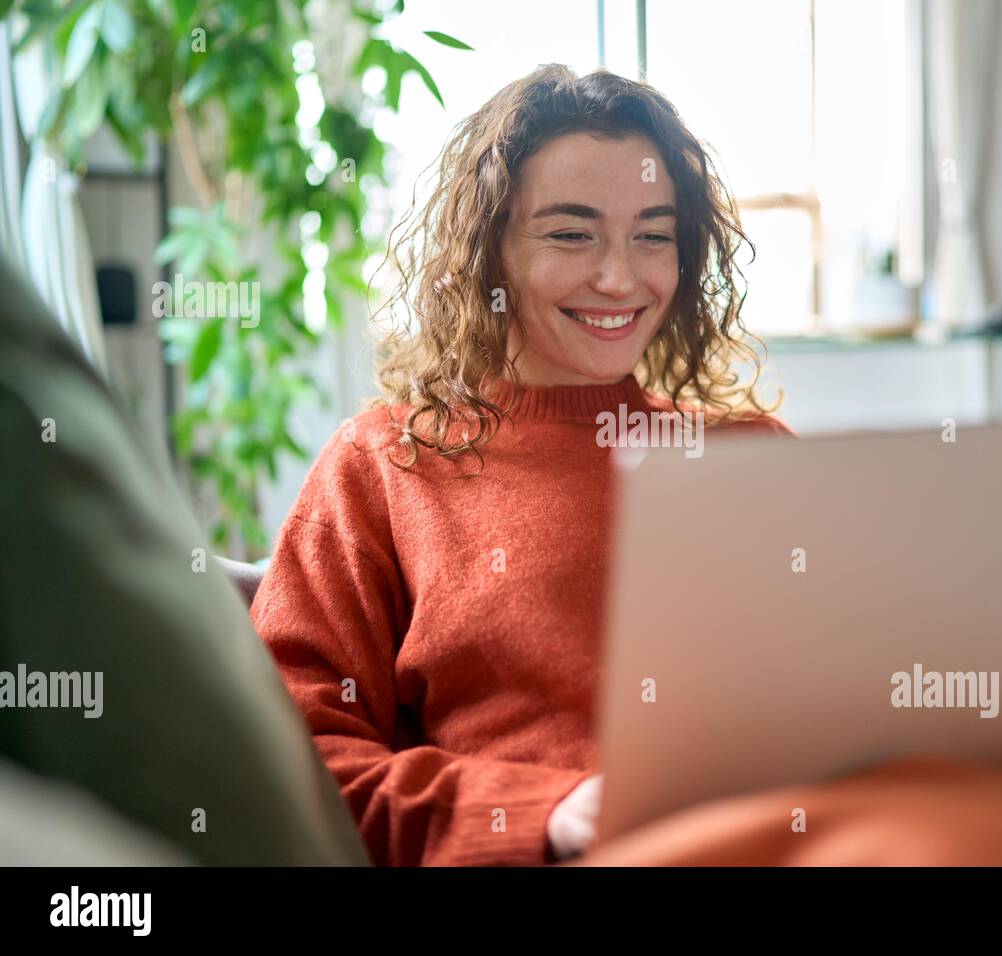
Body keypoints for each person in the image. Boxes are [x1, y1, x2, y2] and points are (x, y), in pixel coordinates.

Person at [251, 64, 792, 866]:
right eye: (571, 233)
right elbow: (292, 758)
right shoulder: (385, 464)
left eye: (654, 234)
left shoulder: (754, 455)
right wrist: (543, 812)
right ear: (487, 254)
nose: (619, 277)